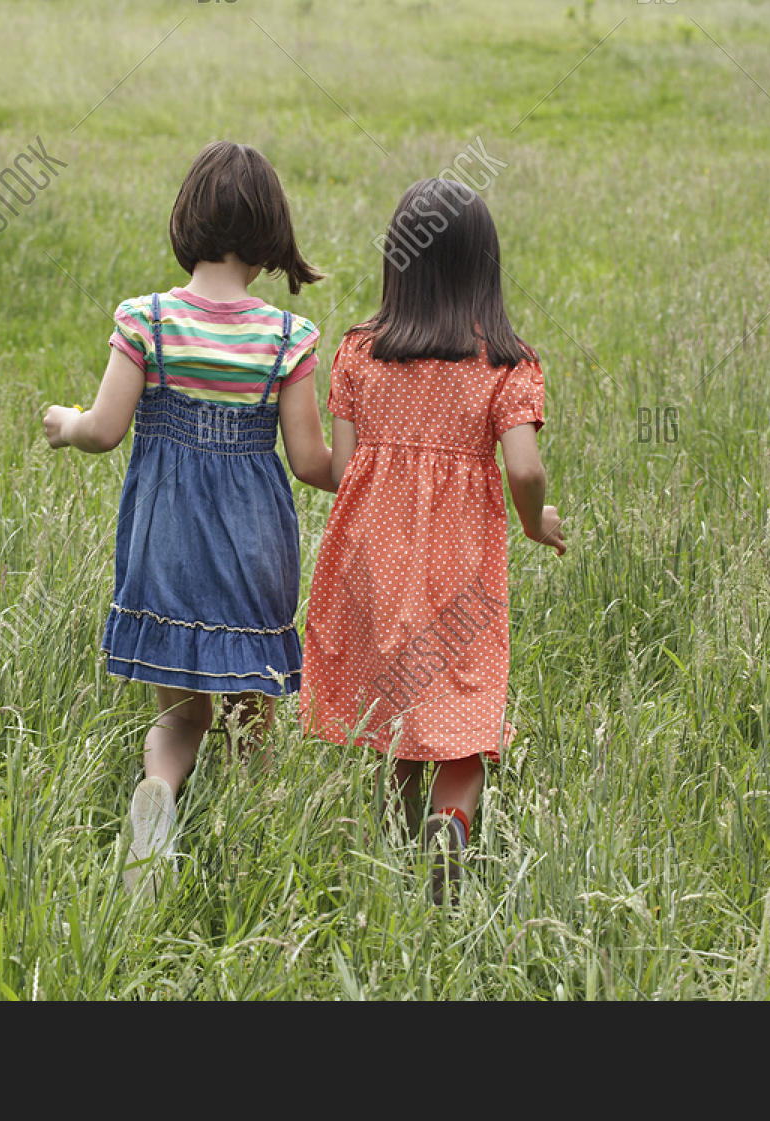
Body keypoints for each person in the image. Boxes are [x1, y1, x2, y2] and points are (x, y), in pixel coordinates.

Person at [44, 141, 334, 896]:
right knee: (250, 721)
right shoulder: (284, 338)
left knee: (179, 716)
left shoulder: (147, 319)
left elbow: (104, 428)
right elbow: (310, 461)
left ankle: (161, 798)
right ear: (272, 232)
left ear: (186, 219)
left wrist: (63, 421)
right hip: (252, 547)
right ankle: (251, 844)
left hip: (164, 540)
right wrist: (378, 473)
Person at [299, 178, 566, 905]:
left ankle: (394, 832)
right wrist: (535, 519)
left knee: (396, 705)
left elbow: (342, 469)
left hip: (370, 562)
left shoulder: (359, 354)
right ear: (485, 267)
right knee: (464, 713)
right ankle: (451, 824)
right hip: (461, 569)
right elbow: (524, 465)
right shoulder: (508, 364)